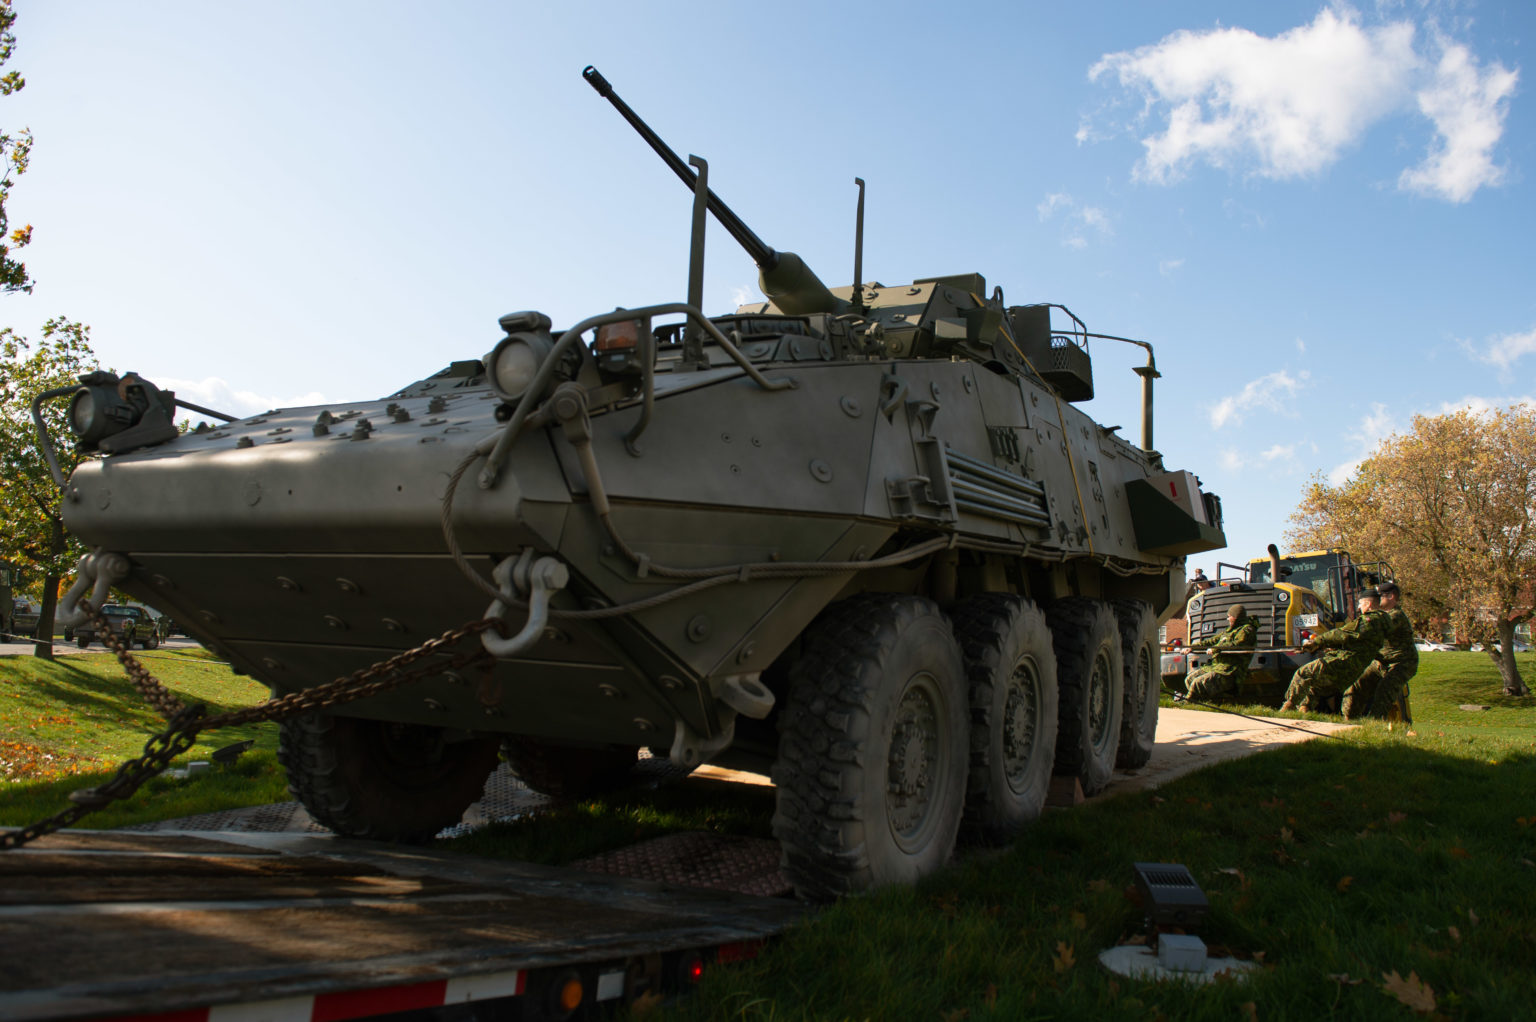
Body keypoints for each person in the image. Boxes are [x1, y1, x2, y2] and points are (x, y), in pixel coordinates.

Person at [1281, 588, 1387, 713]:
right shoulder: (1383, 622)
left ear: (1368, 604)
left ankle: (1288, 707)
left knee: (1304, 673)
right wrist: (1332, 647)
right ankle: (1305, 710)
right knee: (1315, 687)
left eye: (1360, 604)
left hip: (1345, 663)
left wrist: (1316, 642)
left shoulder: (1368, 621)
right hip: (1352, 671)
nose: (1358, 608)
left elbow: (1340, 634)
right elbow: (1356, 642)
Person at [1347, 581, 1417, 722]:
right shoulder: (1380, 616)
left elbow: (1369, 631)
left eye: (1380, 596)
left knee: (1384, 692)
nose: (1376, 599)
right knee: (1355, 686)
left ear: (1391, 596)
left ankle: (1373, 725)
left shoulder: (1395, 616)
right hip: (1382, 661)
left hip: (1402, 663)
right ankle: (1349, 721)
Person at [1184, 604, 1257, 701]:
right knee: (1189, 679)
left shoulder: (1247, 630)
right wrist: (1192, 647)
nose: (1228, 619)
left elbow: (1237, 644)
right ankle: (1204, 702)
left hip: (1230, 670)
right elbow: (1211, 641)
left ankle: (1189, 702)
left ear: (1235, 617)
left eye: (1229, 616)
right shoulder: (1229, 631)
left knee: (1198, 683)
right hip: (1217, 666)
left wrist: (1216, 649)